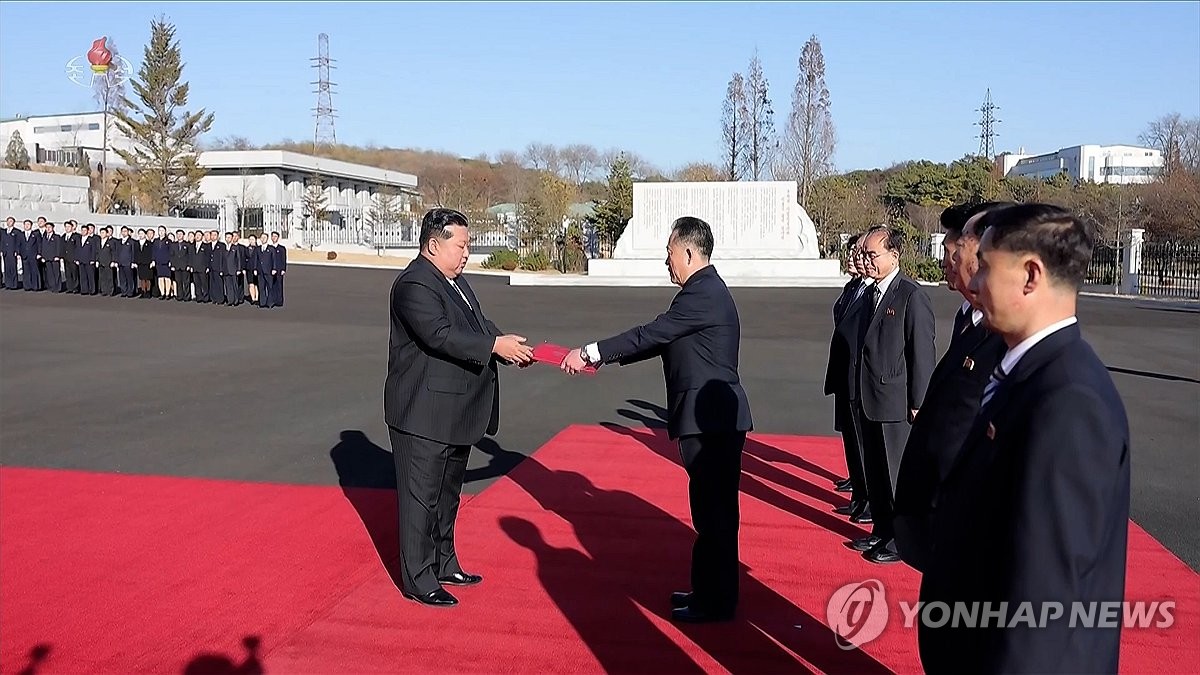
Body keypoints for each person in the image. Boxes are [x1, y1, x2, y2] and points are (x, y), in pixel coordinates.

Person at [918, 203, 1131, 674]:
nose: (971, 284)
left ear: (1031, 276)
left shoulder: (1068, 400)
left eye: (986, 269)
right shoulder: (1029, 371)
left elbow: (1045, 601)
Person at [561, 216, 754, 623]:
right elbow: (660, 339)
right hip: (709, 421)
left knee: (715, 516)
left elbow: (651, 333)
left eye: (669, 254)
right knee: (709, 513)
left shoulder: (703, 294)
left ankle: (716, 602)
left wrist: (591, 352)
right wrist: (603, 361)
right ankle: (708, 592)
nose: (666, 263)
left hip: (712, 423)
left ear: (688, 252)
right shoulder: (702, 292)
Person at [384, 208, 534, 607]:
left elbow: (479, 326)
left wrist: (506, 345)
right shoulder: (414, 284)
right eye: (462, 245)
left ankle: (444, 561)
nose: (467, 252)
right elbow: (440, 335)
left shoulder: (457, 282)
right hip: (423, 413)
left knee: (447, 496)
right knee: (421, 499)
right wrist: (493, 347)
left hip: (455, 411)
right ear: (434, 245)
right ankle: (418, 579)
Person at [892, 202, 1012, 572]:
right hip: (940, 519)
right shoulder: (969, 319)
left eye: (952, 252)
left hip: (966, 526)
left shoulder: (1006, 338)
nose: (947, 262)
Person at [845, 227, 936, 564]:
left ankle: (901, 541)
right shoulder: (870, 293)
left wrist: (919, 402)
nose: (866, 261)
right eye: (864, 254)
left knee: (897, 476)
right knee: (877, 475)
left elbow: (922, 352)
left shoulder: (910, 295)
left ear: (893, 256)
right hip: (868, 398)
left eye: (873, 255)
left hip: (896, 402)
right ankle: (881, 531)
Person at [824, 231, 877, 524]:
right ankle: (860, 494)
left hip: (863, 376)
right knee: (852, 438)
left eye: (863, 254)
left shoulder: (874, 292)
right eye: (857, 253)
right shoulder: (853, 288)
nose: (857, 259)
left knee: (865, 443)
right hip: (845, 372)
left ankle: (869, 498)